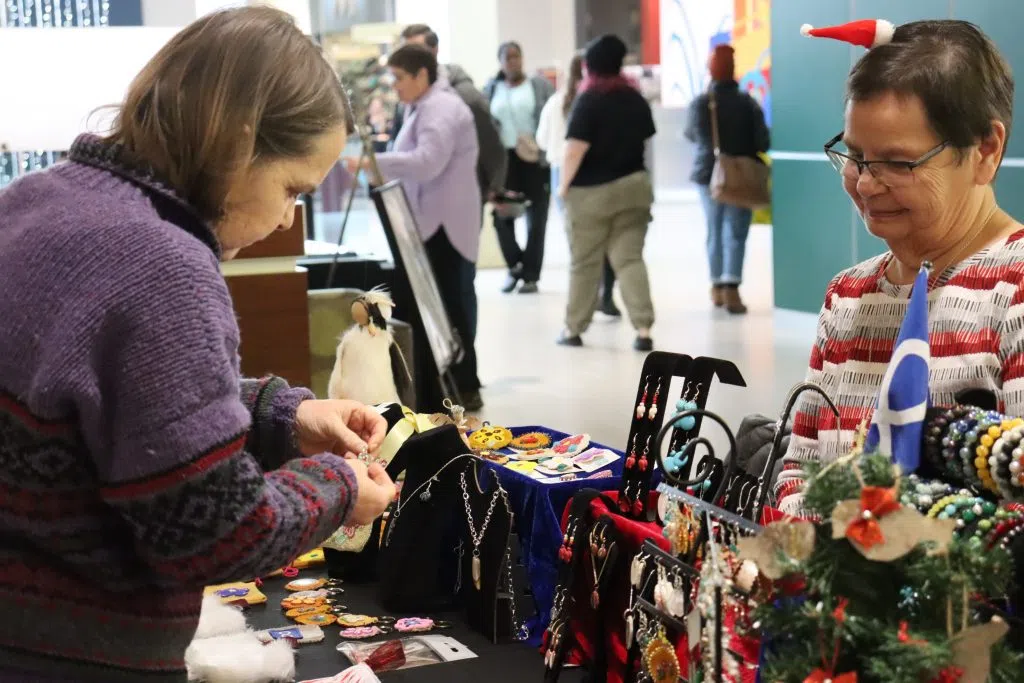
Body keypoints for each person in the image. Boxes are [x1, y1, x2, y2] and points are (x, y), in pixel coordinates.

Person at [0, 7, 398, 680]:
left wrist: (282, 414)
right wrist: (337, 484)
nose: (286, 218)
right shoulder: (163, 265)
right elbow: (216, 531)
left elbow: (116, 401)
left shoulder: (33, 201)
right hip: (73, 653)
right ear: (239, 143)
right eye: (291, 189)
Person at [774, 18, 1024, 518]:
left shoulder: (1012, 291)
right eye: (855, 155)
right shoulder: (848, 296)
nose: (866, 184)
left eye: (898, 163)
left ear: (986, 150)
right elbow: (799, 470)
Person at [348, 45, 484, 412]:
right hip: (432, 222)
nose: (395, 86)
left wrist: (375, 162)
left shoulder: (441, 107)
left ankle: (464, 384)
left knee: (452, 306)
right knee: (446, 306)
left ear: (421, 75)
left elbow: (428, 162)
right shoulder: (422, 106)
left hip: (446, 225)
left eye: (399, 78)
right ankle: (449, 384)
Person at [557, 34, 657, 351]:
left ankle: (573, 328)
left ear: (590, 66)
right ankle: (643, 329)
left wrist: (562, 186)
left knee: (585, 263)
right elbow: (645, 141)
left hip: (591, 196)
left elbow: (574, 150)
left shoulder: (588, 100)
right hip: (634, 189)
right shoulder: (635, 99)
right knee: (629, 260)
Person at [685, 44, 770, 315]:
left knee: (714, 229)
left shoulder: (701, 103)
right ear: (734, 69)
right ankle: (731, 287)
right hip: (741, 176)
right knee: (735, 231)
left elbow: (692, 135)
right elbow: (763, 141)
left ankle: (716, 286)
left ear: (711, 70)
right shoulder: (748, 103)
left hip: (708, 173)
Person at [537, 53, 621, 318]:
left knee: (579, 243)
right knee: (606, 238)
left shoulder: (556, 103)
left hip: (561, 172)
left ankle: (584, 301)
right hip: (596, 172)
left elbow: (541, 140)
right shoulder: (600, 101)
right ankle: (605, 295)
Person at [396, 24, 506, 211]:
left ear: (434, 50)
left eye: (415, 51)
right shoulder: (405, 100)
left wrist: (492, 188)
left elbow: (491, 145)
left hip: (458, 201)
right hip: (416, 200)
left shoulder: (465, 96)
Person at [484, 41, 556, 294]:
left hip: (534, 159)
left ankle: (531, 275)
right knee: (501, 217)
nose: (513, 62)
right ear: (501, 62)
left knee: (537, 218)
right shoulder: (492, 89)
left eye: (517, 56)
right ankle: (515, 265)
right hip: (505, 161)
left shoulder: (538, 86)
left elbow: (552, 118)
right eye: (508, 57)